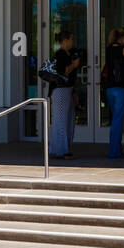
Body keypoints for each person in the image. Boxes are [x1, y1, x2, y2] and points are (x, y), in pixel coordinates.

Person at [103, 27, 124, 159]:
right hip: (120, 88)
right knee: (119, 120)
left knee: (115, 119)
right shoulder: (121, 49)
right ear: (121, 38)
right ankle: (114, 152)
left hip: (109, 88)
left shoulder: (108, 49)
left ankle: (115, 149)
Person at [49, 30, 81, 160]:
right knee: (61, 120)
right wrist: (74, 65)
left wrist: (73, 92)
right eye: (71, 39)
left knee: (68, 120)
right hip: (60, 90)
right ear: (65, 40)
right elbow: (63, 72)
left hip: (67, 89)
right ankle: (61, 150)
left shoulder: (68, 54)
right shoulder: (59, 54)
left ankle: (63, 148)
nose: (73, 42)